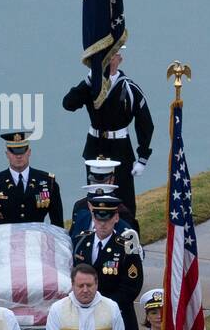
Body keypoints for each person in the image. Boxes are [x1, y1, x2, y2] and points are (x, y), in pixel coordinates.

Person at [62, 49, 155, 215]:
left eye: (113, 55)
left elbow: (145, 123)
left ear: (120, 59)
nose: (109, 59)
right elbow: (69, 104)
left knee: (123, 201)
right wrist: (89, 80)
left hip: (119, 149)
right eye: (105, 56)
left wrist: (143, 157)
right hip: (95, 147)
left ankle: (127, 237)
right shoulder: (91, 85)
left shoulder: (129, 87)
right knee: (95, 198)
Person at [72, 195, 144, 330]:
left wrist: (102, 305)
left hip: (117, 314)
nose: (103, 224)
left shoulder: (126, 247)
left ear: (116, 218)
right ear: (93, 218)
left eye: (107, 219)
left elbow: (131, 286)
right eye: (99, 218)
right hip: (85, 314)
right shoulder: (81, 242)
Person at [0, 131, 64, 229]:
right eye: (14, 152)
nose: (18, 156)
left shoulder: (47, 181)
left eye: (22, 151)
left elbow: (58, 225)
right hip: (4, 240)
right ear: (7, 154)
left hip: (36, 239)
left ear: (29, 152)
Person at [70, 158, 138, 239]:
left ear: (112, 180)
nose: (98, 185)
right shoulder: (80, 206)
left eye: (102, 181)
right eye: (95, 181)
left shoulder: (121, 211)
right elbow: (73, 237)